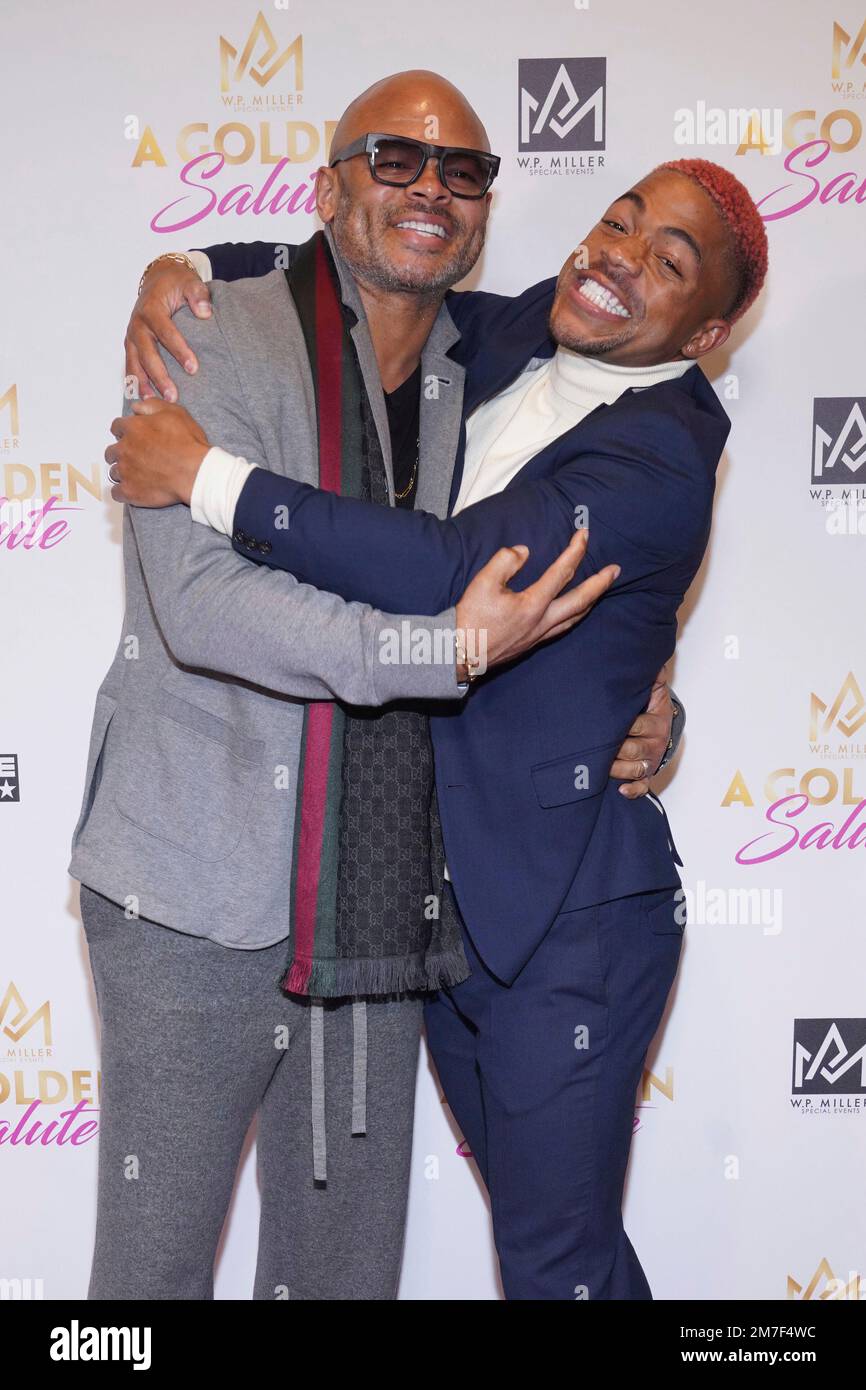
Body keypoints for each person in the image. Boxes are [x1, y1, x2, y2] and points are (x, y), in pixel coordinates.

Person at [108, 129, 768, 1296]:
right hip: (430, 916)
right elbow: (375, 267)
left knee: (555, 1261)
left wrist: (208, 476)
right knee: (546, 1246)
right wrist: (191, 264)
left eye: (668, 262)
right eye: (620, 219)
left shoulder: (662, 451)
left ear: (707, 336)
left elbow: (448, 568)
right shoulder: (523, 327)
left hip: (566, 922)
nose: (618, 257)